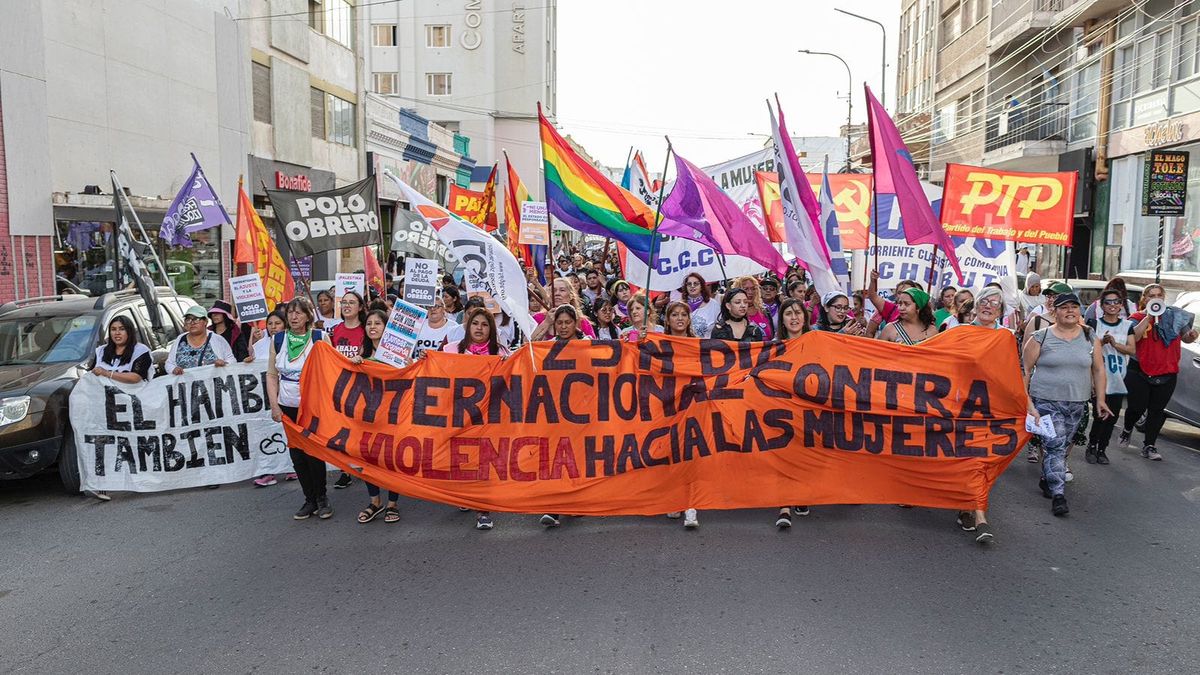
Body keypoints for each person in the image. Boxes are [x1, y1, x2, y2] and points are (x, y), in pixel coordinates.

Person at [1023, 292, 1112, 518]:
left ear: (1080, 312)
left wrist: (1100, 399)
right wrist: (1027, 402)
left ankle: (1047, 478)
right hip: (1045, 401)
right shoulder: (1039, 337)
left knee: (1062, 446)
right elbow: (1023, 371)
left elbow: (1099, 369)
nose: (1070, 311)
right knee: (1054, 445)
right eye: (1064, 307)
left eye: (1074, 307)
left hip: (1077, 402)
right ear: (1055, 312)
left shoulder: (1090, 337)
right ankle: (1059, 495)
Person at [442, 307, 511, 530]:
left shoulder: (500, 352)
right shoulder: (451, 349)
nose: (479, 328)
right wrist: (427, 359)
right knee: (463, 459)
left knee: (484, 462)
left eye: (484, 324)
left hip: (490, 417)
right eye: (475, 323)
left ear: (491, 328)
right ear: (467, 326)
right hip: (460, 415)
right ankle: (466, 496)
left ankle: (483, 510)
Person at [266, 297, 332, 520]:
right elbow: (272, 374)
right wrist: (275, 405)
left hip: (312, 405)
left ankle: (322, 497)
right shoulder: (278, 339)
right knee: (297, 454)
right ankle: (309, 499)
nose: (294, 317)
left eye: (299, 313)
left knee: (313, 452)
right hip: (288, 404)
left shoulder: (319, 338)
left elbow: (332, 371)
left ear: (308, 315)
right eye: (290, 313)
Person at [1120, 284, 1199, 460]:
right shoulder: (1136, 317)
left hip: (1166, 371)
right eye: (1151, 295)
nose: (1155, 298)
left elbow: (1186, 337)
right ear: (1144, 299)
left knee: (1156, 410)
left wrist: (1192, 336)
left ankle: (1149, 446)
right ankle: (1127, 428)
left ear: (1163, 298)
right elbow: (1135, 337)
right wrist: (1148, 317)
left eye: (1159, 295)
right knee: (1136, 407)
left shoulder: (1175, 316)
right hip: (1139, 371)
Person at [87, 316, 153, 501]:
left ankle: (142, 480)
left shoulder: (141, 351)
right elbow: (92, 374)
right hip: (106, 407)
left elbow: (136, 377)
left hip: (134, 407)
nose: (117, 333)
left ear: (129, 331)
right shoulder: (101, 352)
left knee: (132, 445)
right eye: (113, 329)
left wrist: (108, 373)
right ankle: (102, 485)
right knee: (105, 443)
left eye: (121, 329)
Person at [345, 309, 402, 523]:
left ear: (386, 328)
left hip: (392, 416)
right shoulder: (362, 357)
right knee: (367, 458)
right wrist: (355, 363)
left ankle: (393, 503)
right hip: (367, 417)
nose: (373, 327)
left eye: (378, 323)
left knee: (390, 460)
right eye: (369, 323)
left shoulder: (398, 356)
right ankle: (375, 501)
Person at [536, 304, 588, 528]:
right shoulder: (547, 346)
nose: (564, 326)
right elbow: (528, 348)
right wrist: (545, 323)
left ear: (576, 323)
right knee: (557, 458)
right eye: (560, 323)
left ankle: (573, 501)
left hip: (582, 411)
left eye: (568, 322)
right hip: (554, 411)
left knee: (576, 457)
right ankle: (556, 507)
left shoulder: (588, 345)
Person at [773, 297, 813, 527]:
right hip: (781, 407)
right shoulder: (773, 346)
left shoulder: (817, 341)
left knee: (804, 453)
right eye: (789, 313)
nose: (794, 317)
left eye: (798, 312)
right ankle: (784, 505)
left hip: (809, 407)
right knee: (784, 453)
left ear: (805, 317)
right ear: (782, 320)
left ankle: (801, 493)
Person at [1085, 289, 1137, 466]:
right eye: (1108, 302)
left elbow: (1132, 349)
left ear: (1121, 305)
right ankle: (1092, 445)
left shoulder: (1127, 326)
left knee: (1112, 416)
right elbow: (1087, 349)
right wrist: (1102, 342)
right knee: (1100, 415)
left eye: (1116, 302)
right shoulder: (1094, 324)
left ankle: (1102, 449)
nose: (1113, 305)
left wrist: (1115, 344)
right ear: (1102, 305)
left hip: (1118, 378)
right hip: (1100, 377)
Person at [247, 310, 298, 487]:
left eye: (277, 323)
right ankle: (268, 471)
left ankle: (291, 467)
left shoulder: (289, 342)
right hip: (262, 398)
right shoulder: (260, 344)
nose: (273, 327)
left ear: (285, 324)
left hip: (285, 395)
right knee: (266, 433)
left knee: (286, 433)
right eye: (270, 324)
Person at [330, 291, 368, 489]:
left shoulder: (366, 329)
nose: (346, 305)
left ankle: (364, 464)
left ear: (360, 307)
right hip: (341, 385)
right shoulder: (335, 330)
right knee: (342, 428)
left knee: (361, 428)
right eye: (344, 302)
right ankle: (345, 470)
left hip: (362, 386)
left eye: (352, 302)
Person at [166, 306, 235, 375]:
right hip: (186, 385)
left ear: (205, 322)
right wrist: (173, 369)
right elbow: (169, 363)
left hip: (213, 384)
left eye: (196, 319)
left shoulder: (218, 340)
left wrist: (224, 364)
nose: (192, 323)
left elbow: (231, 360)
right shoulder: (180, 340)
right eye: (188, 319)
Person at [413, 294, 460, 358]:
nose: (432, 309)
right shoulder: (418, 324)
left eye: (436, 306)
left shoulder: (454, 327)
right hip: (419, 365)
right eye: (429, 306)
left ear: (443, 308)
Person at [677, 272, 721, 339]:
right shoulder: (679, 305)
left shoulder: (713, 305)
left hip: (706, 347)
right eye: (689, 284)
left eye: (696, 283)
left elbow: (720, 328)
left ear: (702, 286)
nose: (692, 286)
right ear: (685, 287)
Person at [736, 276, 773, 340]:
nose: (750, 292)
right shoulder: (736, 314)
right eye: (746, 289)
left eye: (753, 288)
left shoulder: (764, 310)